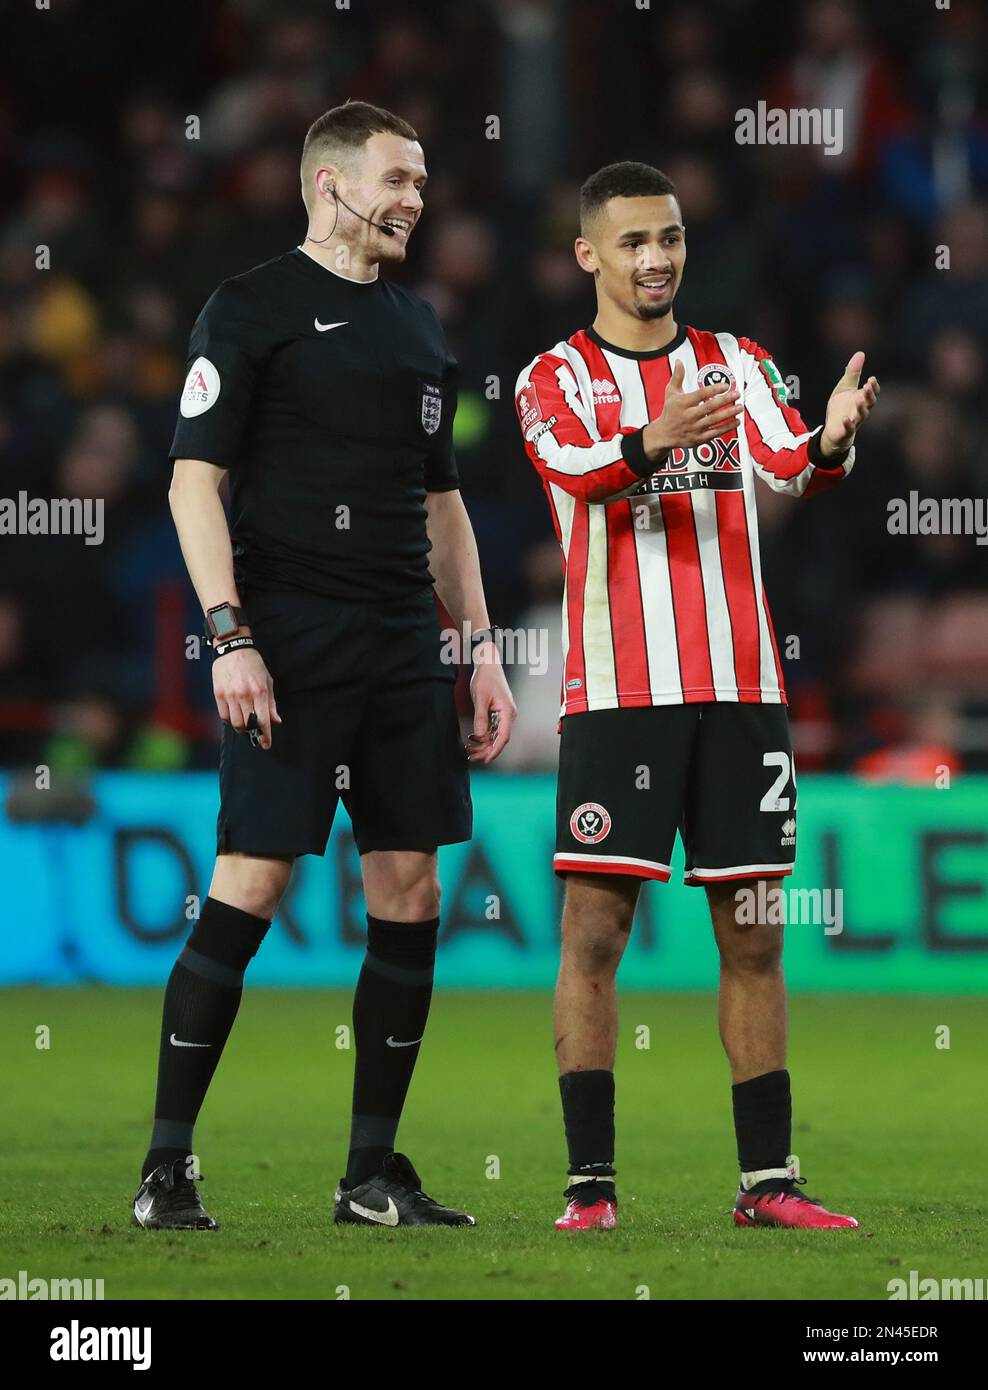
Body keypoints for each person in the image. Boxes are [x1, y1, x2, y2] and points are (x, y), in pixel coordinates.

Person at [133, 101, 515, 1232]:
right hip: (288, 633)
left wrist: (481, 648)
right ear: (328, 185)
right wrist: (229, 633)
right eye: (397, 178)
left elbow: (441, 503)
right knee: (252, 881)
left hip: (401, 635)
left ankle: (370, 1174)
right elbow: (191, 482)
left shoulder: (416, 328)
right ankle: (165, 1169)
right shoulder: (247, 310)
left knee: (409, 888)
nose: (414, 200)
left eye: (421, 181)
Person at [513, 162, 879, 1231]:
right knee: (592, 933)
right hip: (621, 692)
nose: (656, 259)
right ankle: (591, 1189)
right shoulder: (554, 377)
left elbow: (786, 463)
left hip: (739, 687)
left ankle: (768, 1182)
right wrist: (651, 442)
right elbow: (574, 469)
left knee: (754, 934)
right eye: (631, 243)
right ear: (589, 254)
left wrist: (832, 441)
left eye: (668, 238)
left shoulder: (736, 361)